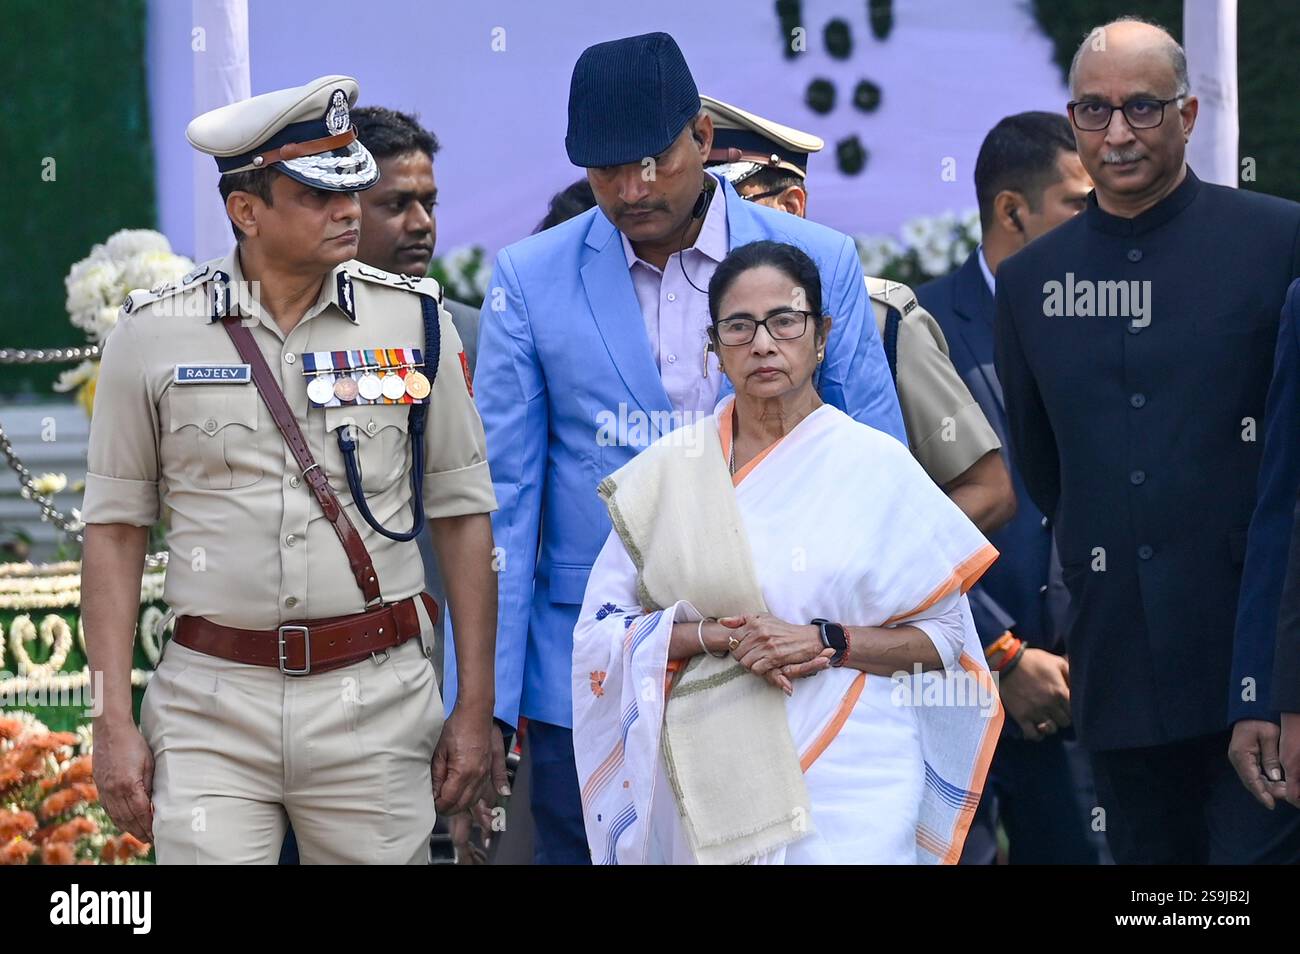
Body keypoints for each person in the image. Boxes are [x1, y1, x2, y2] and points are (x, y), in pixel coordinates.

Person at [447, 32, 906, 864]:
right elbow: (502, 510)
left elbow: (875, 468)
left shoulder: (817, 259)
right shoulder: (530, 277)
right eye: (605, 169)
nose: (631, 188)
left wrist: (865, 651)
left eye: (652, 160)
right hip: (592, 677)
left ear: (701, 137)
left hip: (787, 659)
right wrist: (482, 707)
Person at [81, 75, 503, 864]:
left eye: (353, 187)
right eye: (317, 194)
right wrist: (110, 720)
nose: (348, 209)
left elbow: (463, 511)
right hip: (211, 702)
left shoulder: (416, 320)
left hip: (375, 698)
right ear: (246, 210)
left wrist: (474, 703)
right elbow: (113, 533)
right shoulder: (151, 335)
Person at [573, 240, 1002, 864]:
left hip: (859, 779)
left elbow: (945, 643)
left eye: (785, 321)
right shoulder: (668, 477)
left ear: (821, 335)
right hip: (717, 778)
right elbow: (600, 636)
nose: (763, 344)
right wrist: (716, 636)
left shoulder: (876, 465)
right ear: (713, 349)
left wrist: (826, 642)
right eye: (739, 327)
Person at [994, 19, 1300, 863]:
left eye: (1141, 107)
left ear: (1190, 113)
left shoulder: (1277, 243)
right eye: (1093, 111)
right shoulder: (1030, 284)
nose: (1117, 133)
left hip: (1258, 666)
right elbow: (1047, 472)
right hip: (1118, 668)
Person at [701, 93, 1015, 535]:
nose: (709, 227)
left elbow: (985, 488)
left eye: (728, 206)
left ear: (791, 207)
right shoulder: (666, 315)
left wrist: (876, 575)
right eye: (699, 211)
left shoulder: (876, 316)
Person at [919, 111, 1099, 864]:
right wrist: (999, 649)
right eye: (1080, 202)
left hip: (1085, 691)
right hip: (953, 684)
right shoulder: (918, 323)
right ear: (1012, 211)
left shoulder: (1114, 316)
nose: (1102, 216)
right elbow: (905, 513)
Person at [353, 106, 480, 370]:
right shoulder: (304, 329)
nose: (422, 223)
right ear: (343, 208)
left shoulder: (472, 332)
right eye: (397, 204)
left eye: (430, 204)